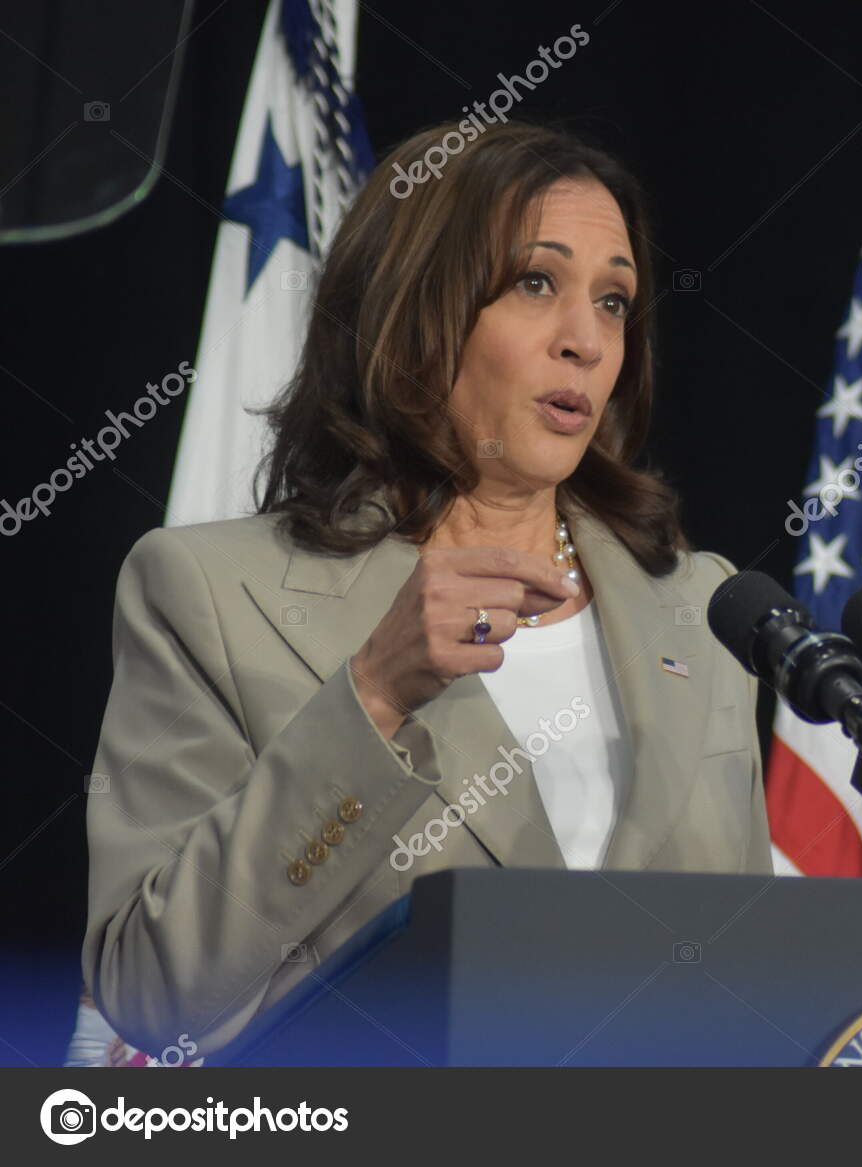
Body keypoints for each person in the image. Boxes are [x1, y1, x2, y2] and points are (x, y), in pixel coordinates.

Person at [75, 120, 771, 1064]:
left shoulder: (701, 605)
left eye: (613, 302)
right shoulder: (207, 592)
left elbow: (747, 980)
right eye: (537, 283)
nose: (586, 342)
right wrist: (369, 697)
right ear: (414, 311)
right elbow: (156, 993)